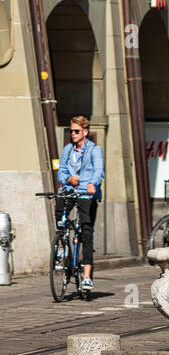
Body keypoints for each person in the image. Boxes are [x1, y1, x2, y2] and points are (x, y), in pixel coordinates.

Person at [56, 115, 104, 299]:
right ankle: (62, 246)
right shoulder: (68, 149)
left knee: (86, 231)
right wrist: (67, 178)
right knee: (60, 211)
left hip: (86, 192)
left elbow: (99, 170)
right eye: (71, 131)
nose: (73, 134)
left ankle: (86, 277)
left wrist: (93, 183)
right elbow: (61, 171)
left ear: (85, 132)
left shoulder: (94, 150)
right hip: (70, 190)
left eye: (76, 131)